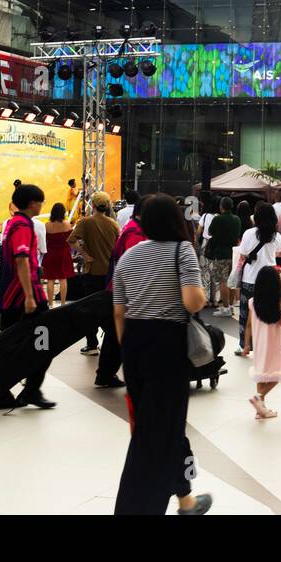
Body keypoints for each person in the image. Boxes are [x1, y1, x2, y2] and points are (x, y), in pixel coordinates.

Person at [111, 194, 211, 514]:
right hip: (166, 343)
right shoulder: (182, 250)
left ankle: (186, 496)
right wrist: (202, 293)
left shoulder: (128, 257)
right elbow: (193, 302)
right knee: (155, 432)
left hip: (134, 344)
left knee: (163, 424)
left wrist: (130, 351)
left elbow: (118, 313)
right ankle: (138, 507)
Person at [0, 184, 56, 410]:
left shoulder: (13, 224)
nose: (42, 205)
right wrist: (30, 297)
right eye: (41, 202)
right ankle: (30, 389)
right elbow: (22, 259)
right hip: (24, 296)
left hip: (13, 295)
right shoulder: (23, 226)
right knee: (46, 340)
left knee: (12, 343)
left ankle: (6, 391)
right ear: (32, 203)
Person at [70, 191, 123, 385]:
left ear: (92, 205)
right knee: (109, 311)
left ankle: (92, 343)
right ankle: (109, 343)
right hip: (110, 274)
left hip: (92, 271)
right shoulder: (113, 224)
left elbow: (72, 240)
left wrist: (84, 254)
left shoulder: (85, 222)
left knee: (91, 310)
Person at [234, 203, 281, 356]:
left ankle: (244, 345)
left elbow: (243, 253)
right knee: (268, 313)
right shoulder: (276, 236)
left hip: (250, 278)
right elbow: (279, 252)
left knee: (245, 314)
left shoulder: (248, 233)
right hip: (270, 279)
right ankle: (266, 346)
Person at [246, 265, 281, 419]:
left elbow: (248, 325)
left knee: (261, 375)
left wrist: (247, 344)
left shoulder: (252, 303)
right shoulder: (276, 305)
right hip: (272, 346)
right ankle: (259, 398)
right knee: (277, 375)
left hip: (259, 347)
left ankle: (261, 410)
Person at [42, 203, 74, 305]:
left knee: (50, 279)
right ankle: (63, 303)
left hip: (50, 253)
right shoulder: (67, 224)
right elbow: (70, 240)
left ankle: (50, 303)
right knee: (63, 278)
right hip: (63, 254)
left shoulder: (47, 225)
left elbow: (44, 240)